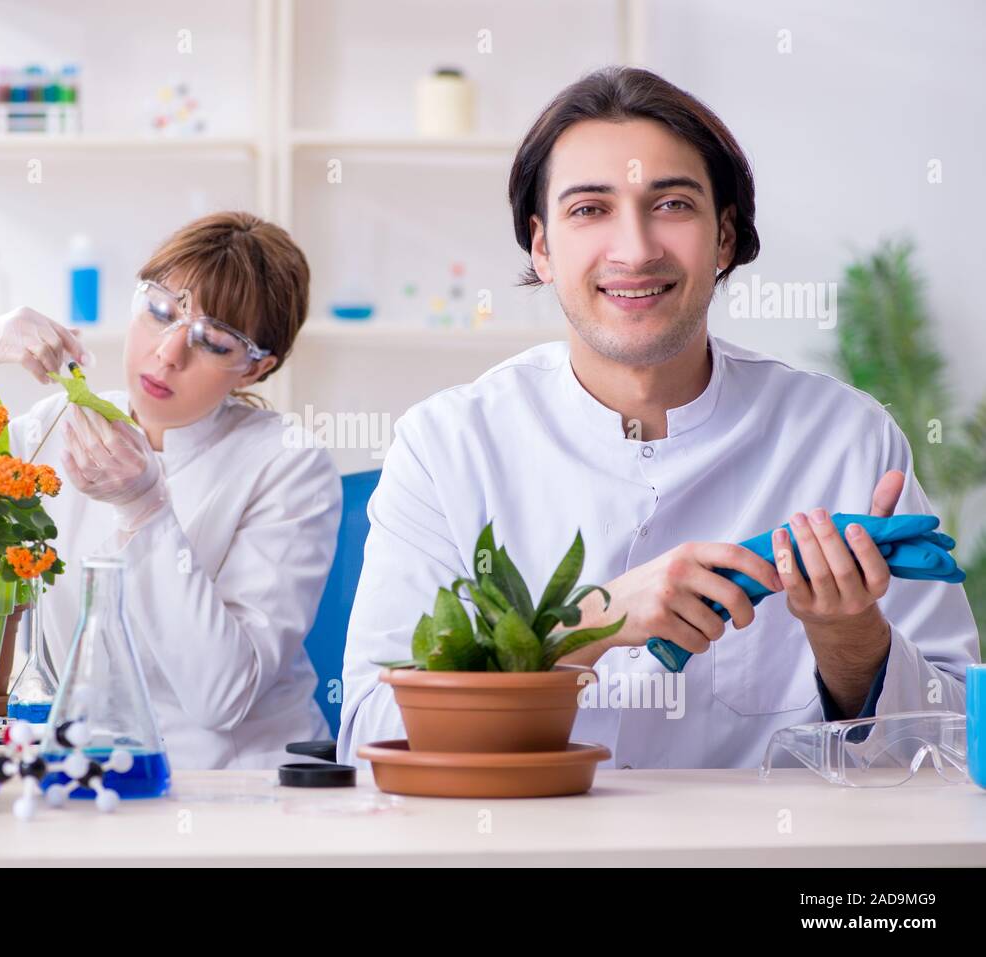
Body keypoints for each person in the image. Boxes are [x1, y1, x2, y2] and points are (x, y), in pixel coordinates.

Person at [337, 67, 980, 769]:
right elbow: (371, 737)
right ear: (542, 247)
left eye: (671, 203)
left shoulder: (845, 439)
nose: (636, 248)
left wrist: (854, 641)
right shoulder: (447, 445)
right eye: (589, 210)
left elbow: (951, 750)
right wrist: (587, 623)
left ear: (725, 238)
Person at [0, 212, 340, 770]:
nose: (168, 354)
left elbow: (221, 696)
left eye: (213, 342)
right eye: (159, 313)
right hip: (80, 776)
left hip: (236, 790)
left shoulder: (289, 464)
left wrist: (146, 510)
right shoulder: (59, 424)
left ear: (254, 368)